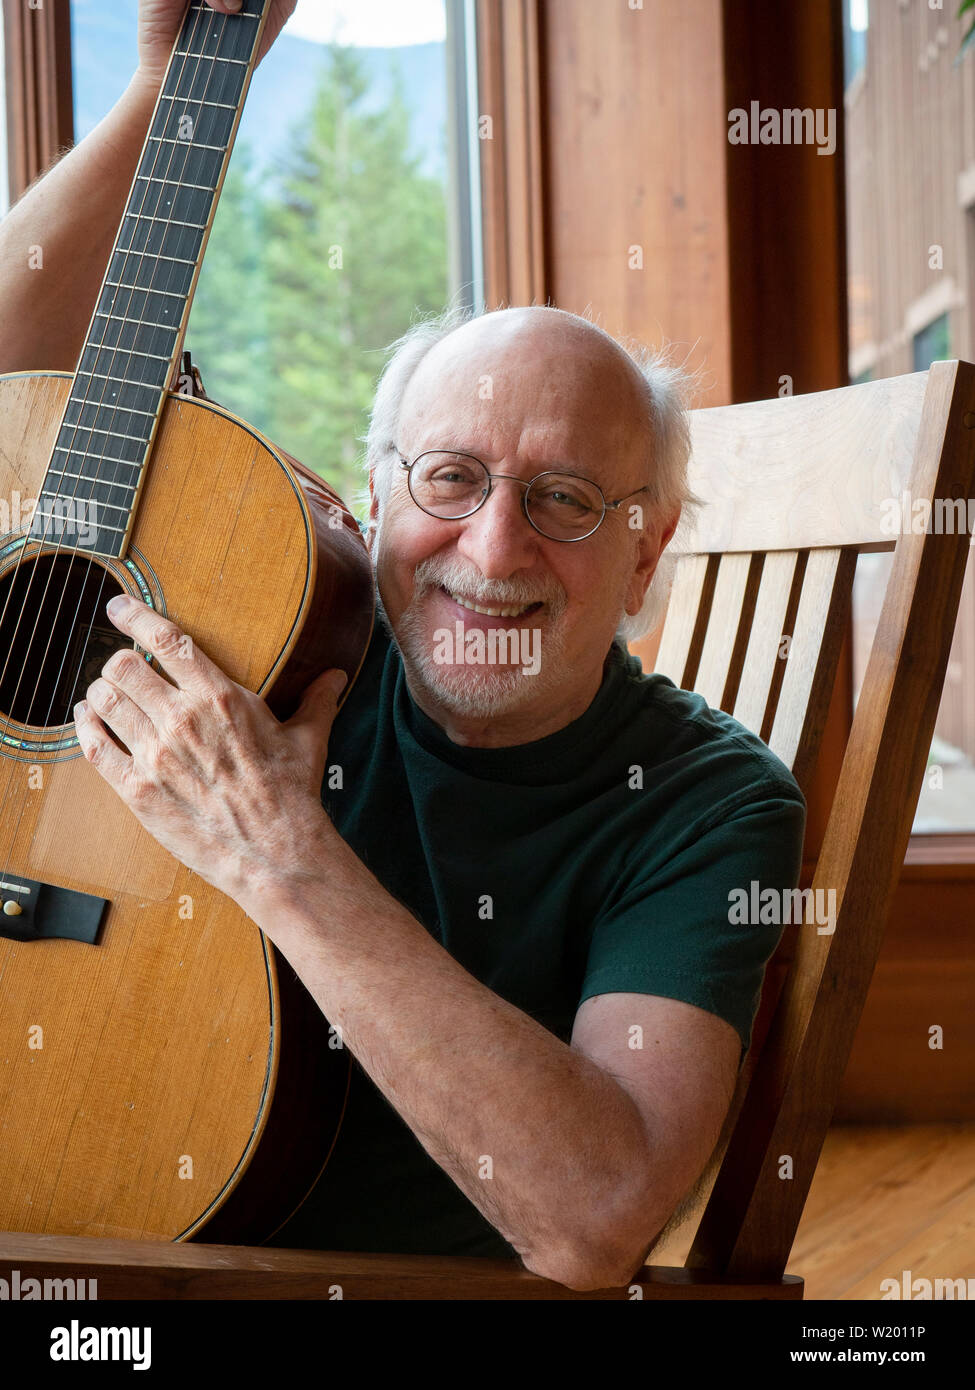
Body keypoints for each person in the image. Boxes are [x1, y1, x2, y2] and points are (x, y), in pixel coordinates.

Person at [0, 0, 806, 1291]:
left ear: (645, 556)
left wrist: (281, 854)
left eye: (566, 501)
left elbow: (595, 1218)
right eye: (450, 479)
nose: (489, 553)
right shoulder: (277, 612)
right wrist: (167, 90)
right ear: (370, 504)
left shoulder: (710, 807)